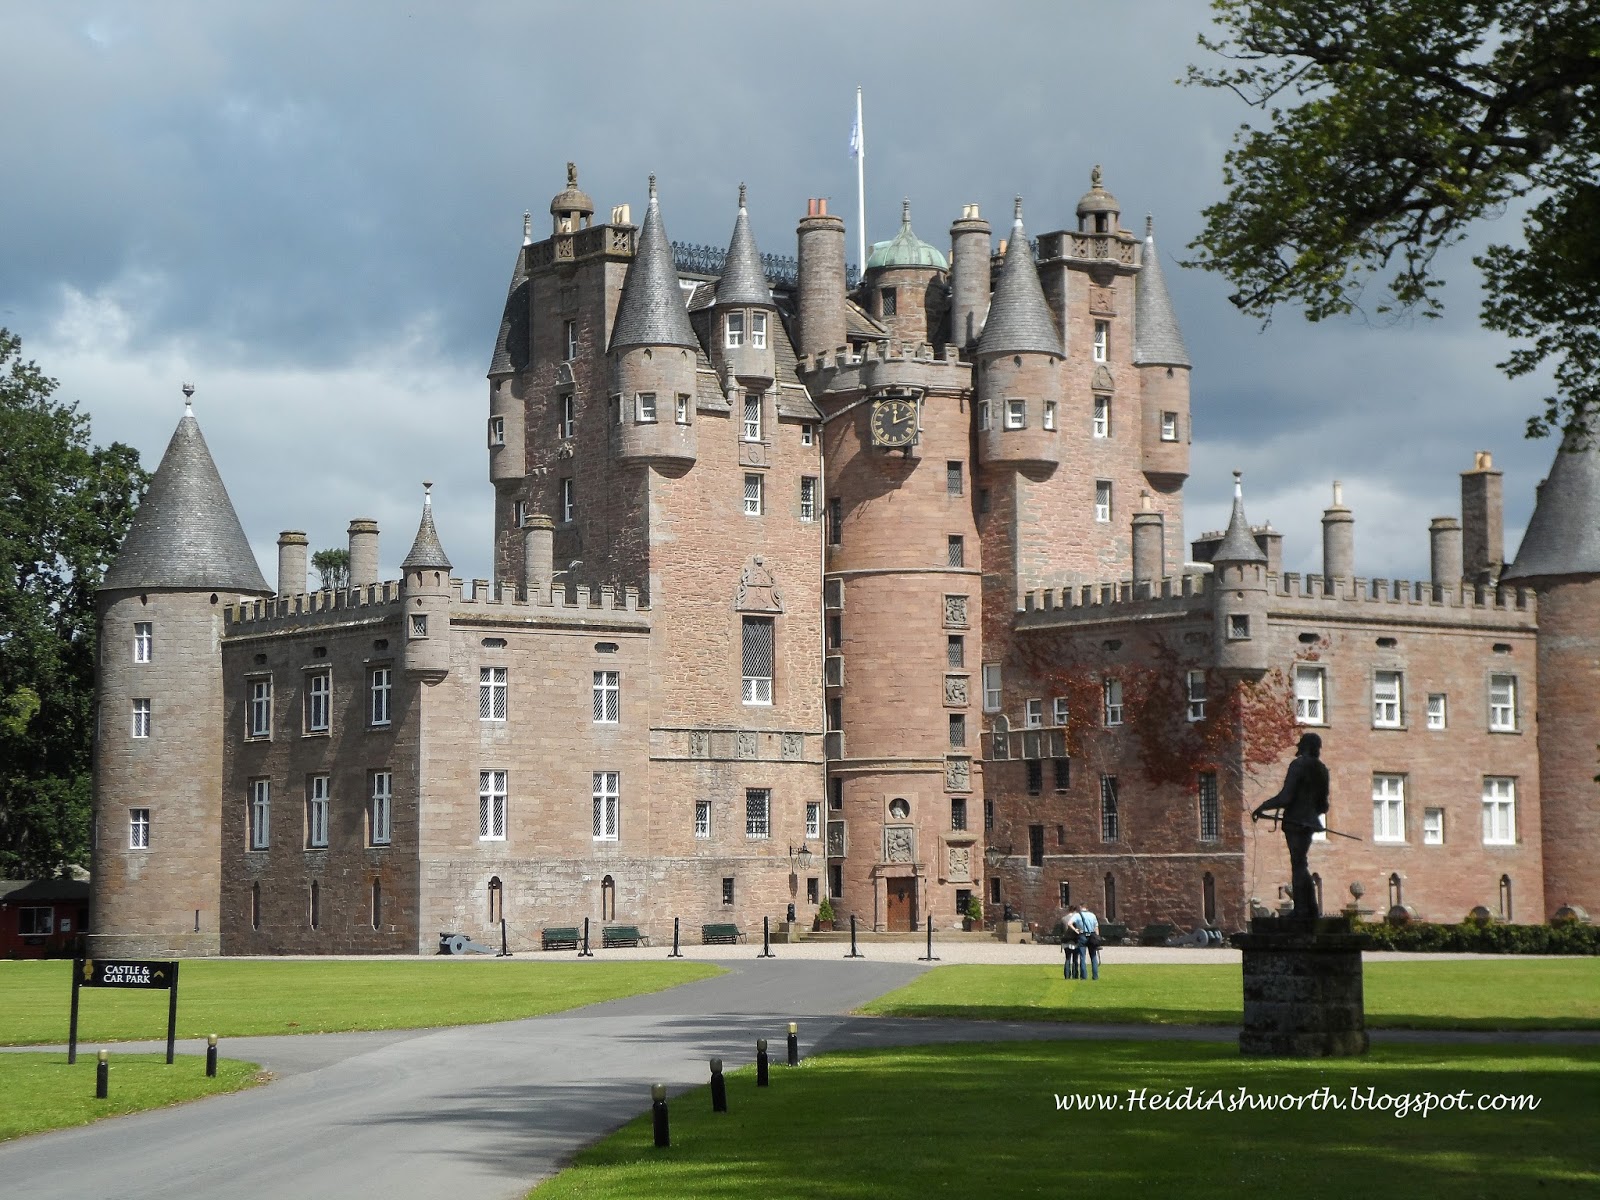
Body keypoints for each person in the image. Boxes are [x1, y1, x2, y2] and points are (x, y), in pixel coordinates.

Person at [1251, 731, 1331, 917]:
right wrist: (1309, 813)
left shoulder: (1299, 765)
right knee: (1301, 862)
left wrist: (1263, 806)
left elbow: (1286, 797)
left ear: (1304, 747)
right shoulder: (1322, 769)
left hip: (1296, 822)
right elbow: (1323, 806)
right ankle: (1311, 907)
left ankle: (1302, 909)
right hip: (1309, 822)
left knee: (1298, 864)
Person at [1076, 903, 1101, 980]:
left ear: (1081, 907)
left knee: (1082, 957)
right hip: (1092, 936)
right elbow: (1096, 927)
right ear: (1087, 908)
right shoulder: (1092, 915)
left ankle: (1084, 976)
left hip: (1082, 935)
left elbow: (1069, 923)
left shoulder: (1077, 915)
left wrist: (1076, 930)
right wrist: (1097, 939)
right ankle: (1095, 976)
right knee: (1093, 956)